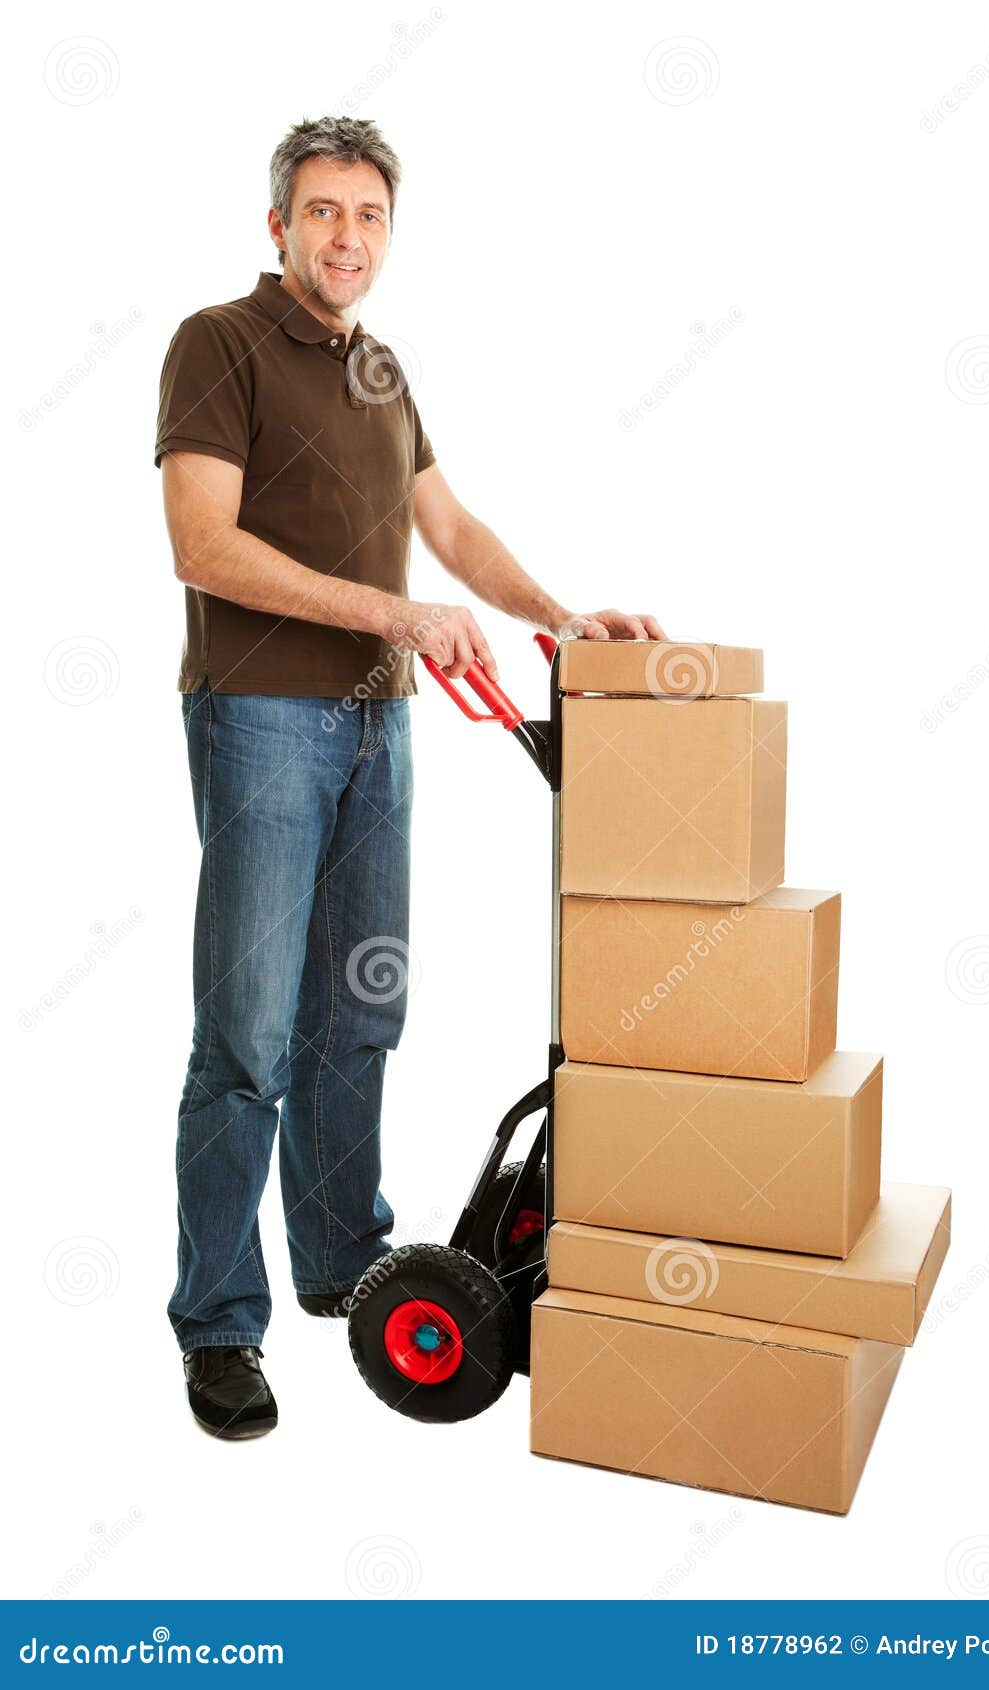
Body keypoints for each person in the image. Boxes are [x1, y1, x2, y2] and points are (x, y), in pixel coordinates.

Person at [156, 115, 666, 1439]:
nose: (346, 237)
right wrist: (391, 617)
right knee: (248, 1038)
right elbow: (203, 545)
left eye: (367, 216)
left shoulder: (381, 368)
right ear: (277, 225)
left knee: (356, 1016)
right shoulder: (217, 343)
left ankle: (339, 1260)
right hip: (263, 716)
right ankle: (220, 1324)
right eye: (321, 212)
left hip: (381, 730)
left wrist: (559, 619)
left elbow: (446, 525)